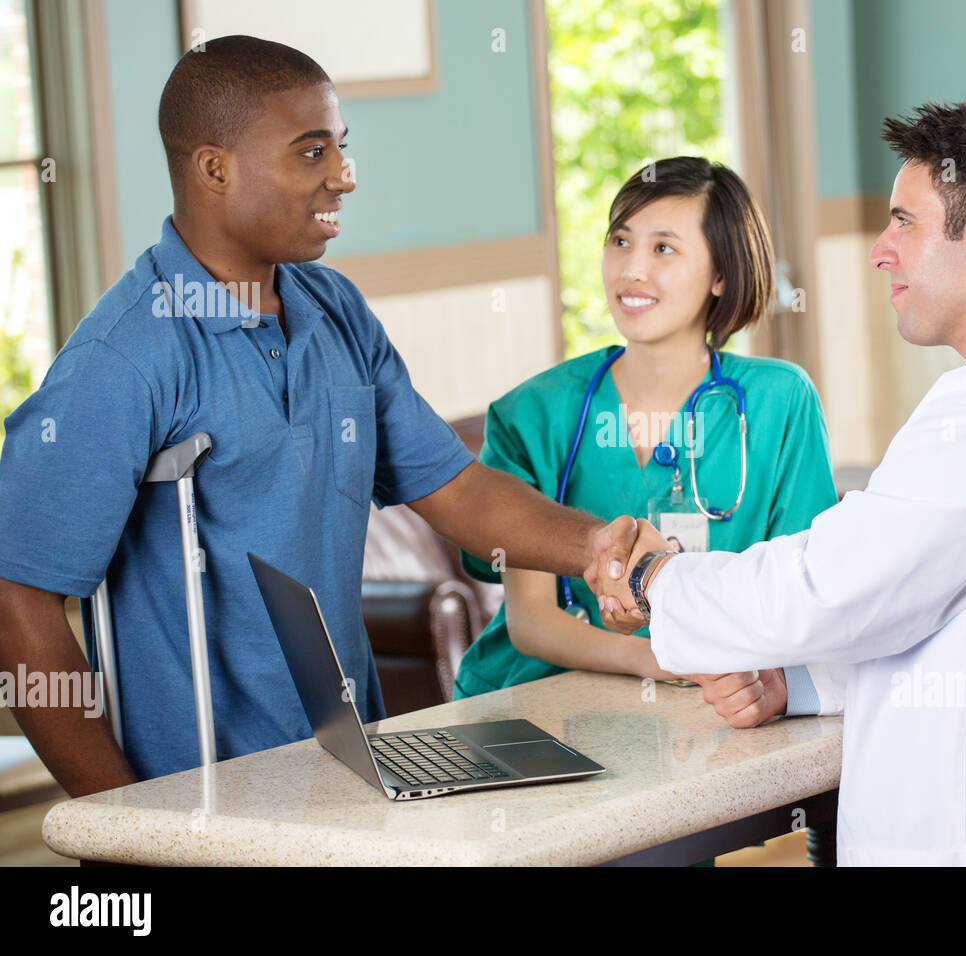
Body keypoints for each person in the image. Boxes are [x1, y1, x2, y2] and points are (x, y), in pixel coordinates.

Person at [0, 36, 648, 796]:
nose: (344, 176)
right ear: (215, 168)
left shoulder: (333, 309)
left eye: (340, 148)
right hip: (203, 796)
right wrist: (117, 820)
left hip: (349, 768)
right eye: (312, 153)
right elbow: (18, 597)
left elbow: (457, 490)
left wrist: (599, 546)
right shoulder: (125, 358)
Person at [601, 98, 966, 865]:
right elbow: (947, 610)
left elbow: (833, 585)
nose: (879, 251)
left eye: (904, 223)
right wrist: (804, 682)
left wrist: (660, 577)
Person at [454, 157, 838, 713]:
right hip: (533, 701)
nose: (632, 270)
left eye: (663, 248)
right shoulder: (535, 411)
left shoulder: (779, 401)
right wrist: (658, 659)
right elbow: (532, 623)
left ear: (721, 274)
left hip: (709, 699)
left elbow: (797, 587)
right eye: (620, 241)